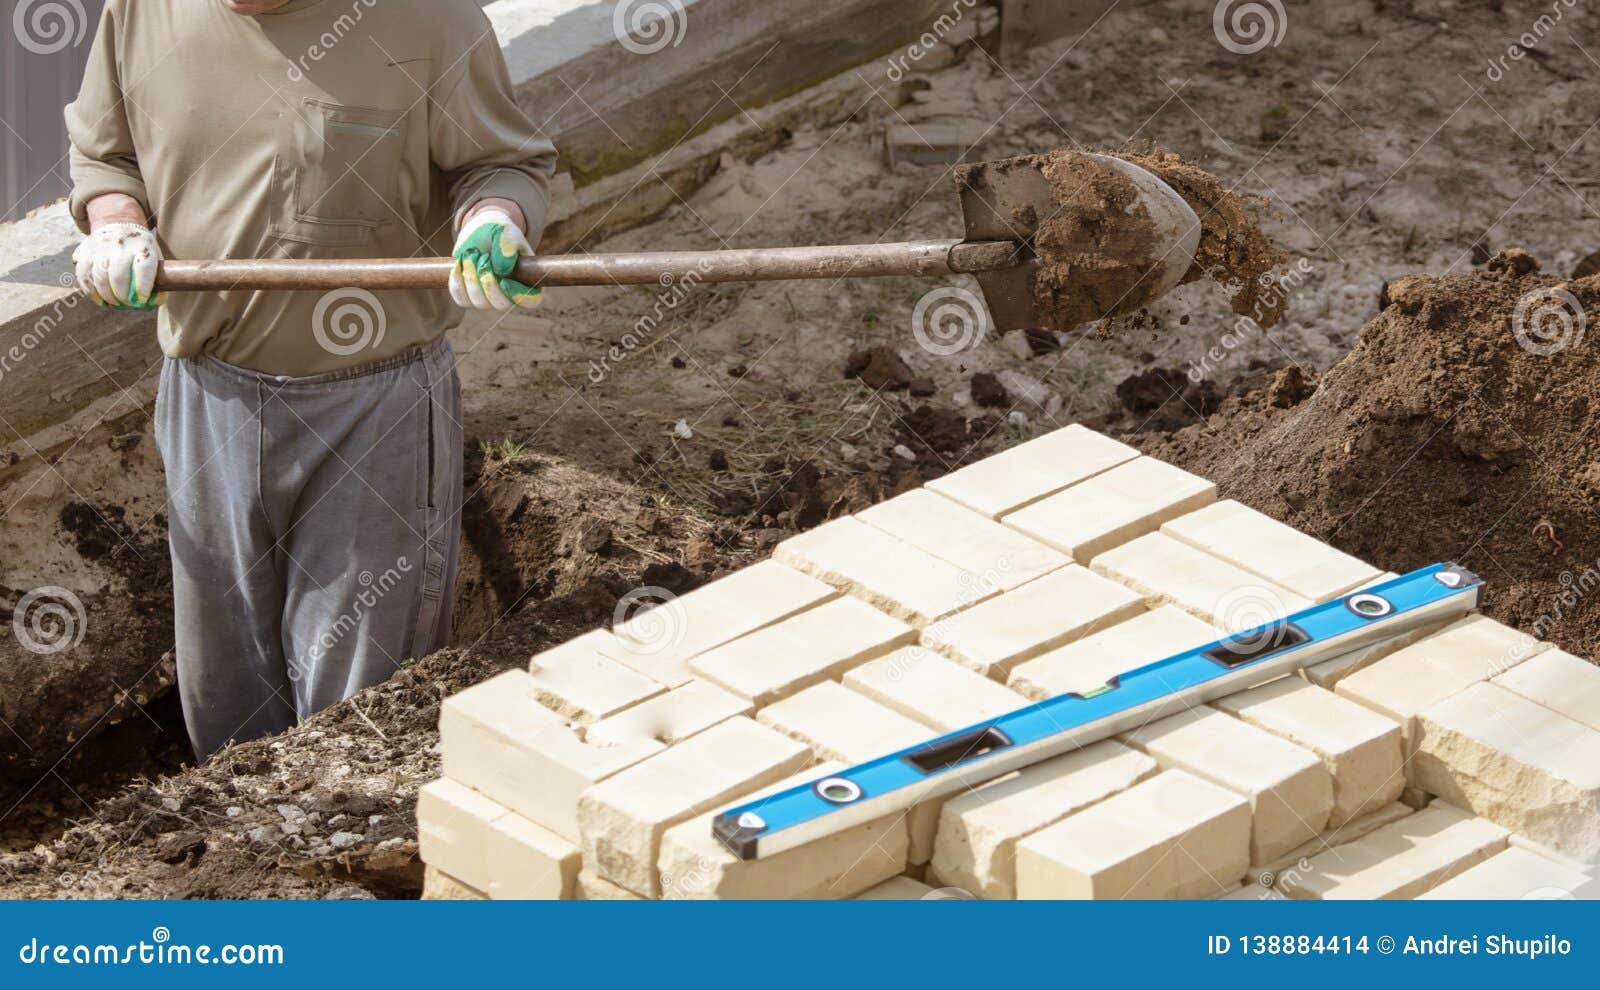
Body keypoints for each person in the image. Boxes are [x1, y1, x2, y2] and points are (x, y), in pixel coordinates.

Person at [65, 0, 557, 759]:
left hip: (373, 407)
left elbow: (502, 162)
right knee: (226, 682)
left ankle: (350, 853)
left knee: (357, 697)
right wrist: (115, 220)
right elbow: (105, 155)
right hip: (206, 392)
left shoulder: (428, 20)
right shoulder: (140, 10)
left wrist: (494, 218)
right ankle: (241, 859)